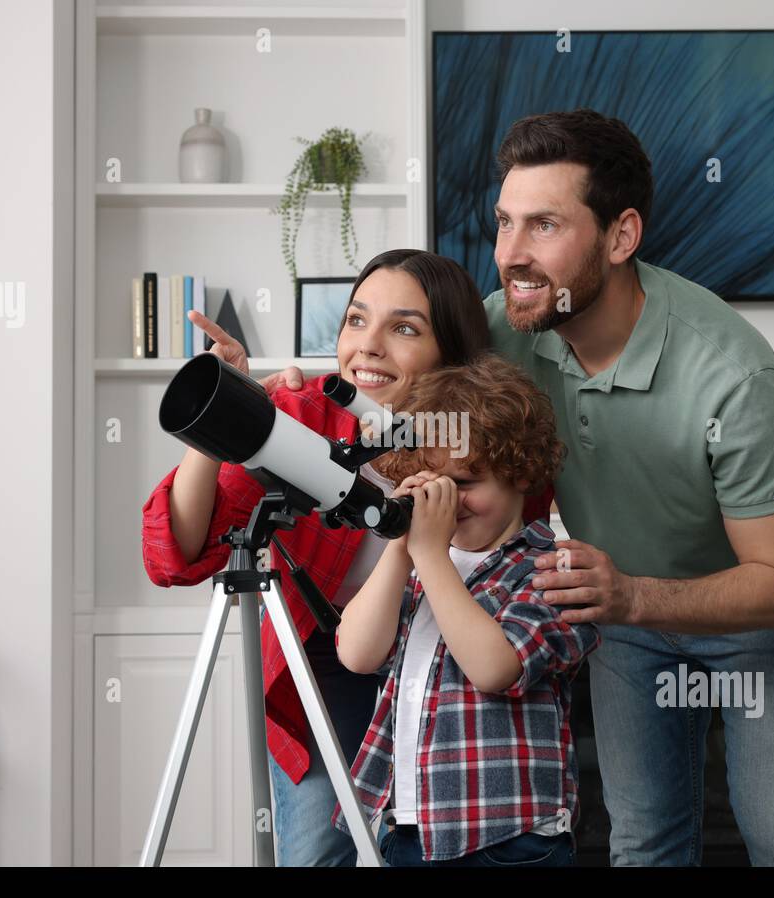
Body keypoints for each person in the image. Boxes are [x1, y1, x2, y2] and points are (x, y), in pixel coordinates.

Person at [269, 109, 774, 866]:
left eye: (543, 225)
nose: (511, 254)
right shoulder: (513, 323)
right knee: (644, 842)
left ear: (620, 236)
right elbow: (410, 384)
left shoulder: (732, 376)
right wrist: (305, 393)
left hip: (753, 614)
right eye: (505, 223)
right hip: (616, 612)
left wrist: (632, 596)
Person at [140, 248, 551, 866]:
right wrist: (228, 413)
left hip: (447, 648)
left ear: (454, 349)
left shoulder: (481, 436)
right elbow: (176, 552)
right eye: (356, 320)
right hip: (329, 656)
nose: (369, 347)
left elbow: (524, 557)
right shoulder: (302, 418)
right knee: (319, 849)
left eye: (404, 328)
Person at [332, 354, 600, 866]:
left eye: (466, 483)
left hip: (509, 837)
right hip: (411, 826)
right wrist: (401, 544)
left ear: (521, 473)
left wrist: (430, 556)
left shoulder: (551, 570)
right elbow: (357, 654)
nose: (446, 502)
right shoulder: (418, 566)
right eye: (431, 486)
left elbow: (495, 668)